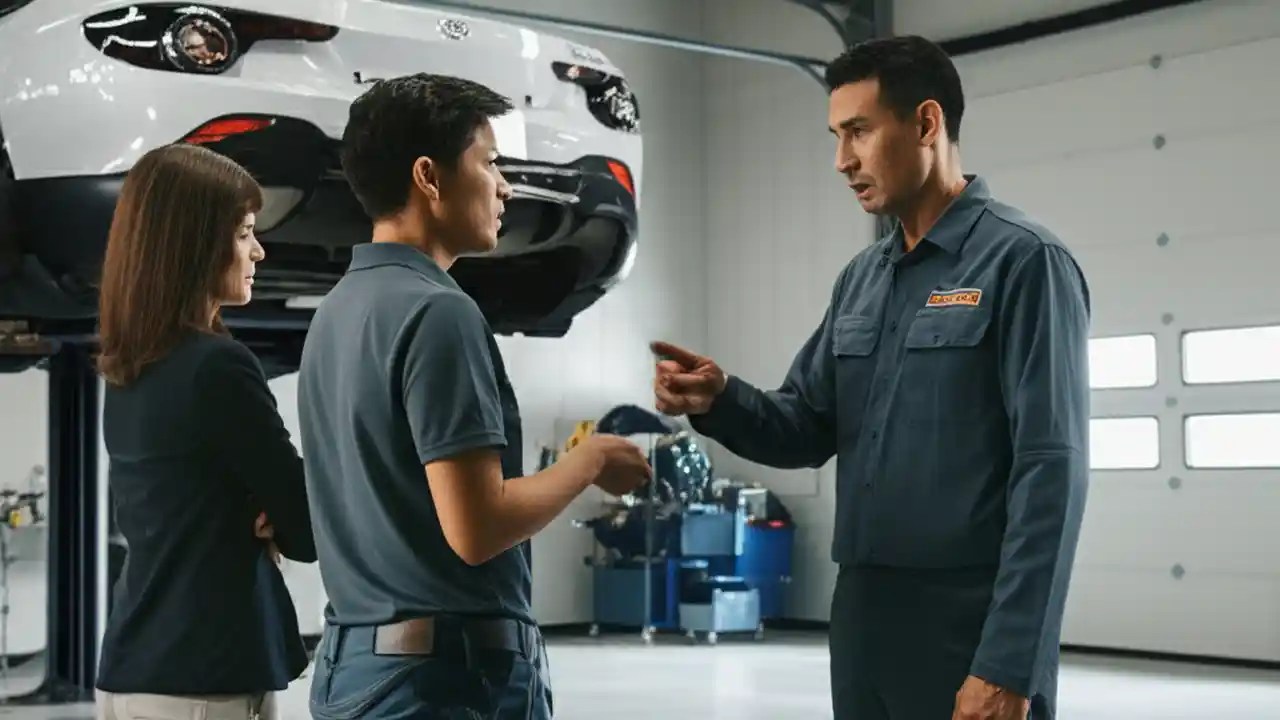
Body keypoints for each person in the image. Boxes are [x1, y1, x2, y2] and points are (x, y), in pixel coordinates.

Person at [651, 36, 1090, 720]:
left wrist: (1009, 661)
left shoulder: (1024, 263)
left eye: (858, 131)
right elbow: (805, 424)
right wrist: (721, 399)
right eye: (835, 135)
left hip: (968, 621)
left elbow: (1051, 473)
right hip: (862, 617)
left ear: (926, 124)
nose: (841, 160)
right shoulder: (862, 279)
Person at [296, 73, 652, 719]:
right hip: (443, 683)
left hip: (356, 670)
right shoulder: (438, 313)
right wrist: (590, 460)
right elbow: (477, 527)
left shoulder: (336, 313)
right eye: (491, 163)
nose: (506, 187)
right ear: (429, 177)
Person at [93, 143, 316, 720]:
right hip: (204, 677)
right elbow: (305, 526)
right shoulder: (218, 365)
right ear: (194, 244)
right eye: (244, 232)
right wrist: (277, 513)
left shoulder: (128, 369)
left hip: (136, 668)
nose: (259, 250)